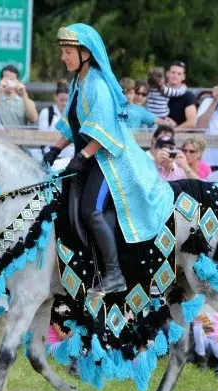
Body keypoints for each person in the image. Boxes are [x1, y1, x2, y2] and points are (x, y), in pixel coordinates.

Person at [44, 24, 174, 294]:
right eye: (64, 52)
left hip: (108, 160)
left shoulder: (98, 85)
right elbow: (75, 123)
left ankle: (114, 274)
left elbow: (104, 132)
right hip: (90, 159)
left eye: (68, 52)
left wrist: (81, 156)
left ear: (86, 54)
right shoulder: (78, 83)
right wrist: (56, 149)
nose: (63, 57)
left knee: (91, 211)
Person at [39, 80, 74, 169]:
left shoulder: (73, 113)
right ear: (55, 97)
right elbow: (42, 135)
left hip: (69, 155)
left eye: (67, 100)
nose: (64, 103)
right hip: (52, 154)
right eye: (61, 100)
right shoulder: (46, 112)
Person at [166, 61, 197, 130]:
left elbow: (192, 122)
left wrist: (173, 130)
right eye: (173, 72)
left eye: (179, 74)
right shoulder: (158, 92)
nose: (175, 76)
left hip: (179, 136)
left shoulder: (188, 96)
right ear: (167, 73)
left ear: (183, 77)